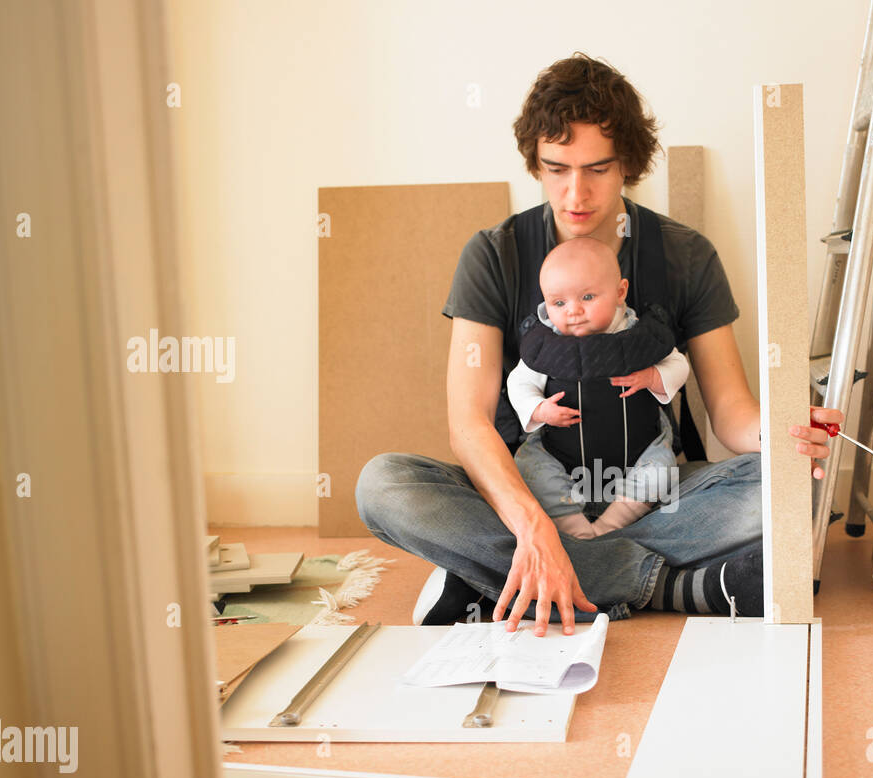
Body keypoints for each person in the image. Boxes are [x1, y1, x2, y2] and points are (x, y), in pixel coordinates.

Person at [356, 52, 843, 636]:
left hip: (649, 486)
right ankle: (667, 586)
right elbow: (469, 425)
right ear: (535, 164)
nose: (575, 193)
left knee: (795, 488)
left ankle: (501, 586)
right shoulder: (493, 255)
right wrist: (534, 526)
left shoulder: (686, 256)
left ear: (629, 165)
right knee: (384, 485)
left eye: (598, 169)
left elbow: (732, 414)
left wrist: (783, 431)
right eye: (556, 169)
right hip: (526, 489)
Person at [509, 235, 689, 540]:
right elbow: (519, 382)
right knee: (527, 468)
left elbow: (679, 365)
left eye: (588, 297)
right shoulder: (546, 345)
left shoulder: (641, 336)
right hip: (561, 456)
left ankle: (611, 527)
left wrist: (651, 377)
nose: (573, 311)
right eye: (558, 303)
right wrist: (540, 409)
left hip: (638, 453)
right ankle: (577, 532)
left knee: (661, 471)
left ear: (620, 292)